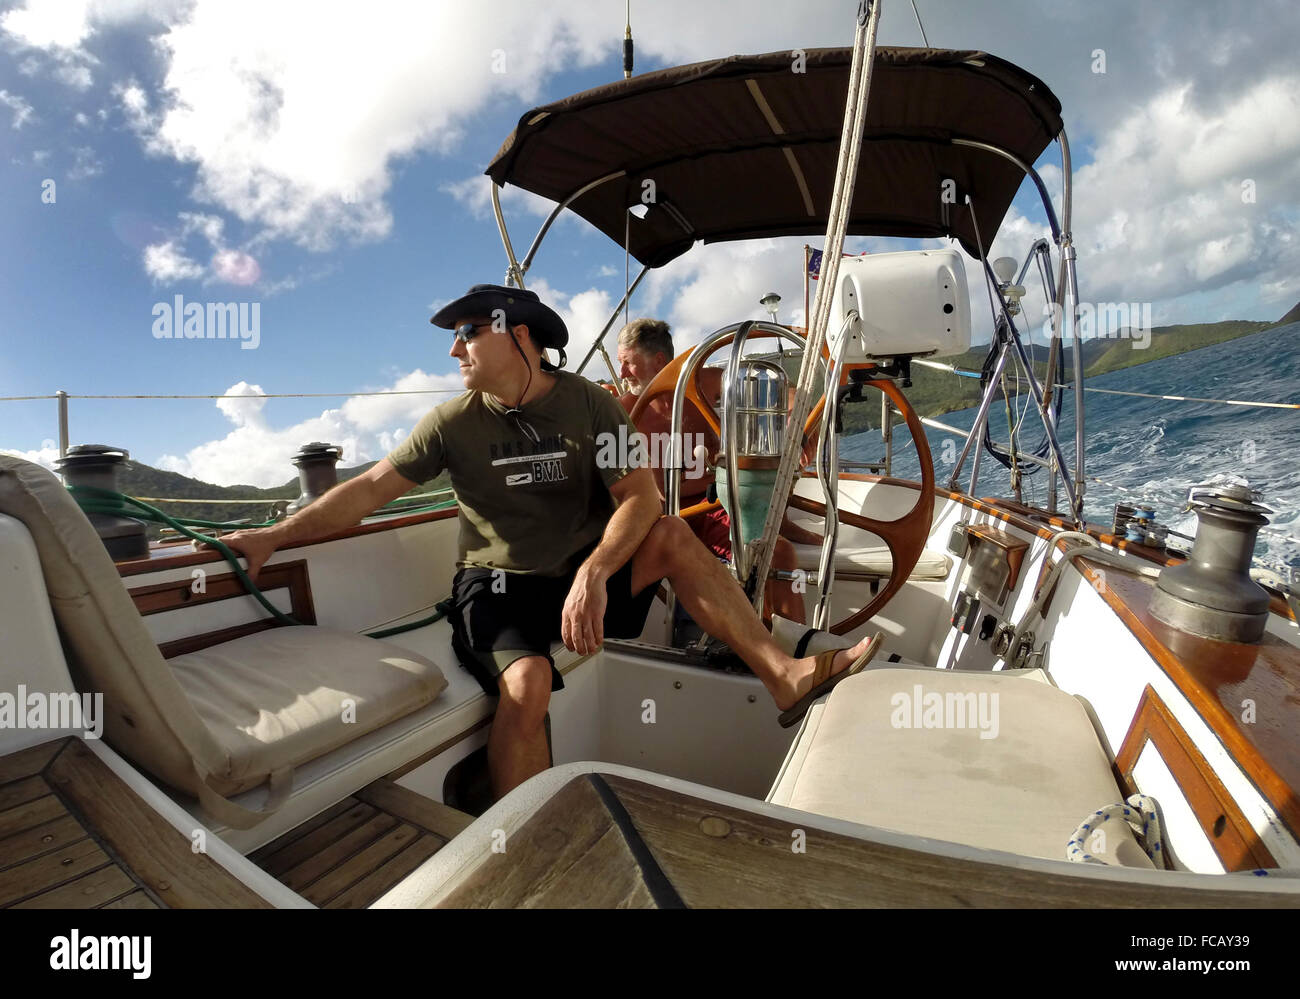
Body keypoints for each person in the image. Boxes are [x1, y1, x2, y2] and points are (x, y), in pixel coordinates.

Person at [217, 285, 878, 800]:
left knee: (673, 534)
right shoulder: (449, 423)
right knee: (528, 687)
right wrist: (274, 536)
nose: (455, 351)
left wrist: (594, 574)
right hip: (497, 589)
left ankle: (786, 676)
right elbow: (366, 492)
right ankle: (530, 838)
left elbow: (642, 499)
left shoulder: (592, 405)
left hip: (579, 577)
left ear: (516, 334)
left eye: (467, 333)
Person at [614, 318, 819, 623]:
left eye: (627, 363)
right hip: (662, 519)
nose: (622, 374)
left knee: (778, 554)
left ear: (657, 359)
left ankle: (798, 644)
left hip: (719, 504)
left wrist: (796, 428)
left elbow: (787, 396)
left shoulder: (705, 383)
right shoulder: (622, 410)